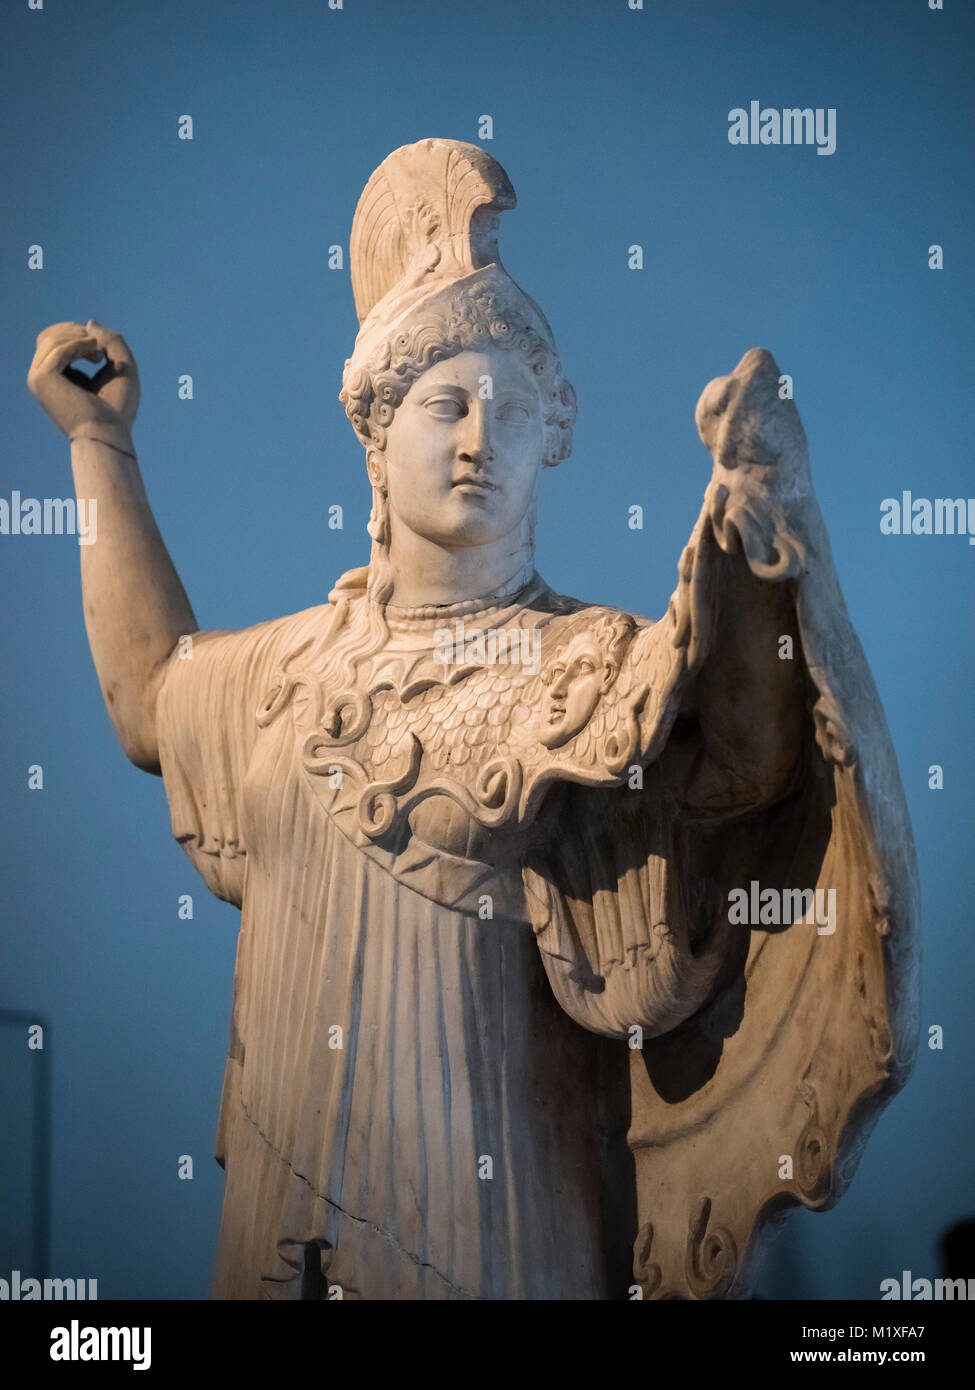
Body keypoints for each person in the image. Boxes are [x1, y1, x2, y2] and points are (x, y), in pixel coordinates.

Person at [27, 138, 917, 1300]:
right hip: (277, 1241)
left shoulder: (589, 663)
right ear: (375, 436)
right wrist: (101, 444)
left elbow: (739, 767)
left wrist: (755, 552)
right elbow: (150, 694)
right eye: (445, 401)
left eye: (512, 407)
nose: (476, 437)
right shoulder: (287, 669)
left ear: (551, 439)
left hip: (506, 1240)